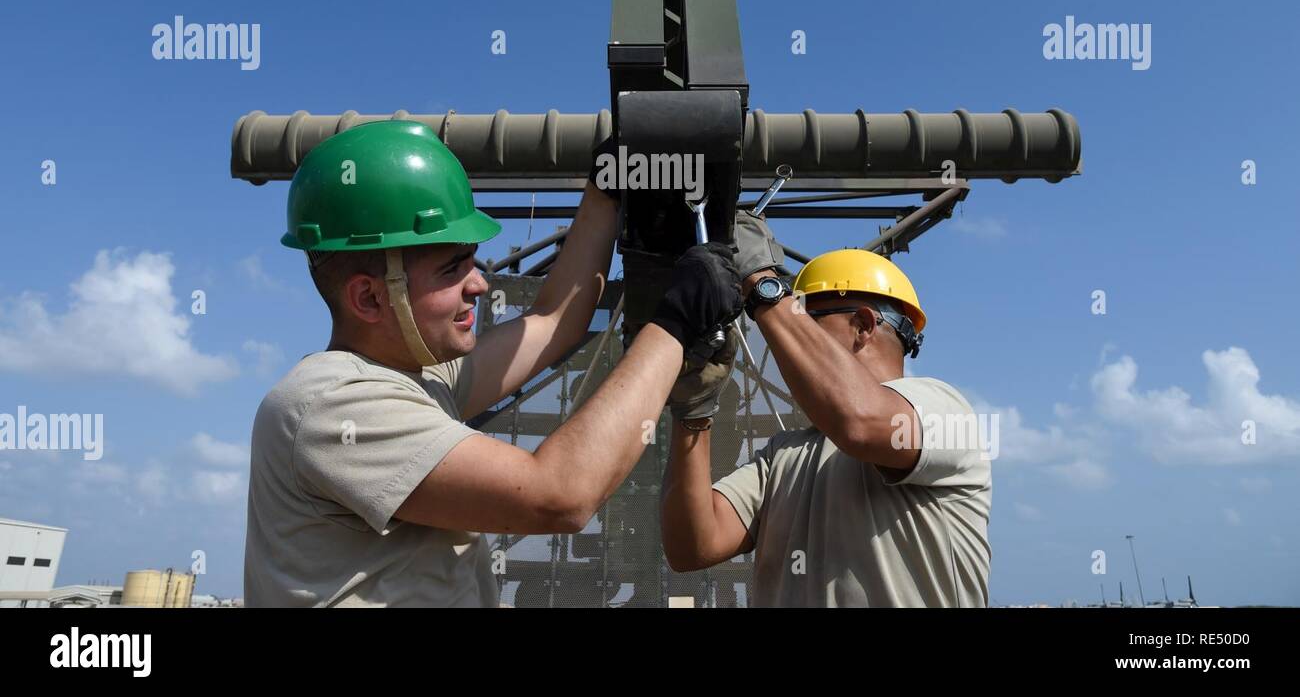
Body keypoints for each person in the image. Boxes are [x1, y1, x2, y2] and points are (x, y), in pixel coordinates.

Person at [243, 119, 741, 606]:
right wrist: (675, 324)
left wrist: (607, 186)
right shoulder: (336, 405)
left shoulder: (416, 383)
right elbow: (559, 495)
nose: (479, 284)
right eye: (452, 268)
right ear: (370, 299)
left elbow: (551, 322)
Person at [660, 211, 992, 606]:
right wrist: (694, 412)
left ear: (864, 326)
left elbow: (859, 422)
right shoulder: (783, 456)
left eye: (806, 317)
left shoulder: (943, 409)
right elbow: (691, 547)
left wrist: (763, 287)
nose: (786, 333)